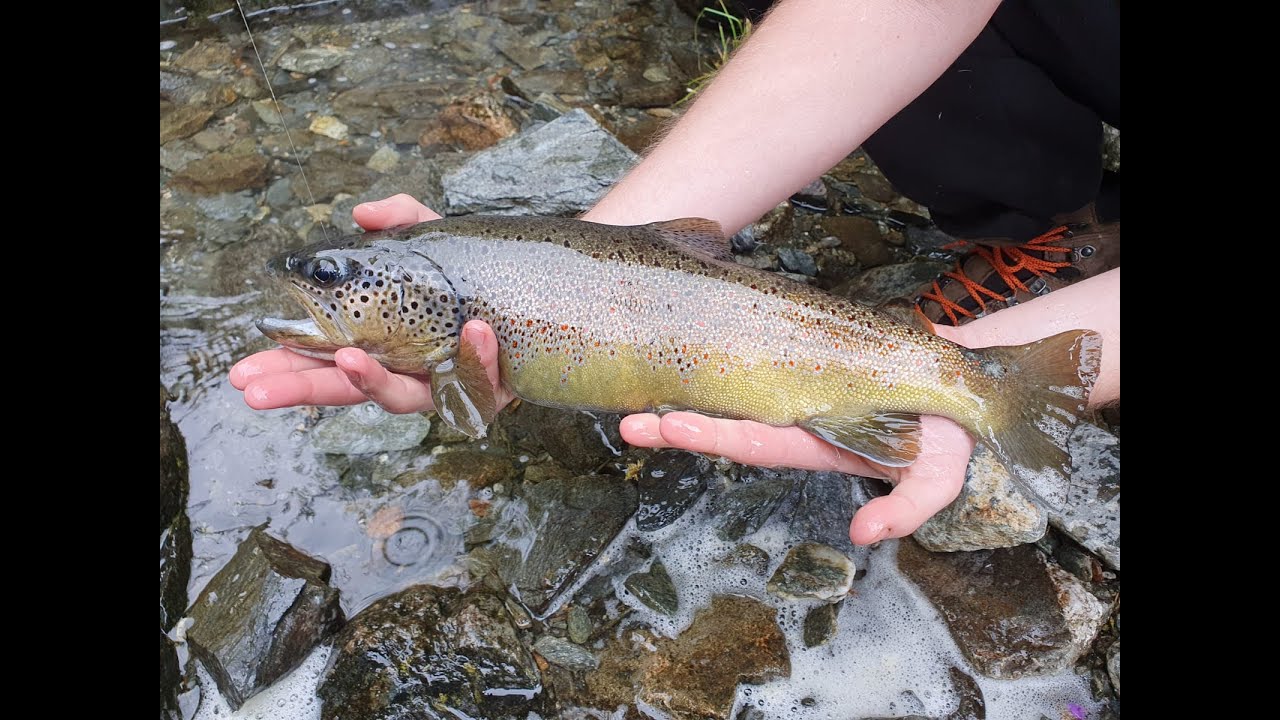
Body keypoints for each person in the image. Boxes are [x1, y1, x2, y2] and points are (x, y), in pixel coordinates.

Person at [231, 0, 1119, 546]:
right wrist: (608, 240)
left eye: (338, 280)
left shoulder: (438, 309)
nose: (320, 288)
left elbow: (470, 408)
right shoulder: (443, 294)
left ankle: (992, 376)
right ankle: (1031, 250)